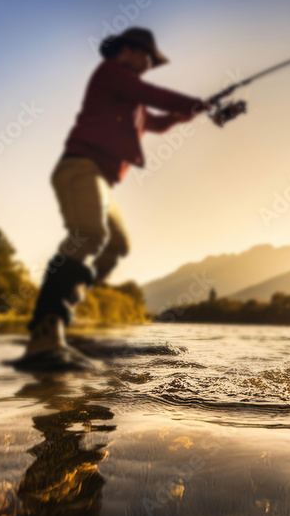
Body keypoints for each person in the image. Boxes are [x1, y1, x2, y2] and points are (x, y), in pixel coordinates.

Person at [21, 27, 205, 365]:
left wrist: (193, 112)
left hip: (100, 180)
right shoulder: (111, 74)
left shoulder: (130, 100)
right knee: (89, 235)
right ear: (127, 50)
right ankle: (45, 335)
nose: (149, 62)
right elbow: (153, 94)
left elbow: (159, 121)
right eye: (146, 55)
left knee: (116, 244)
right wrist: (191, 103)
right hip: (81, 168)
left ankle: (63, 322)